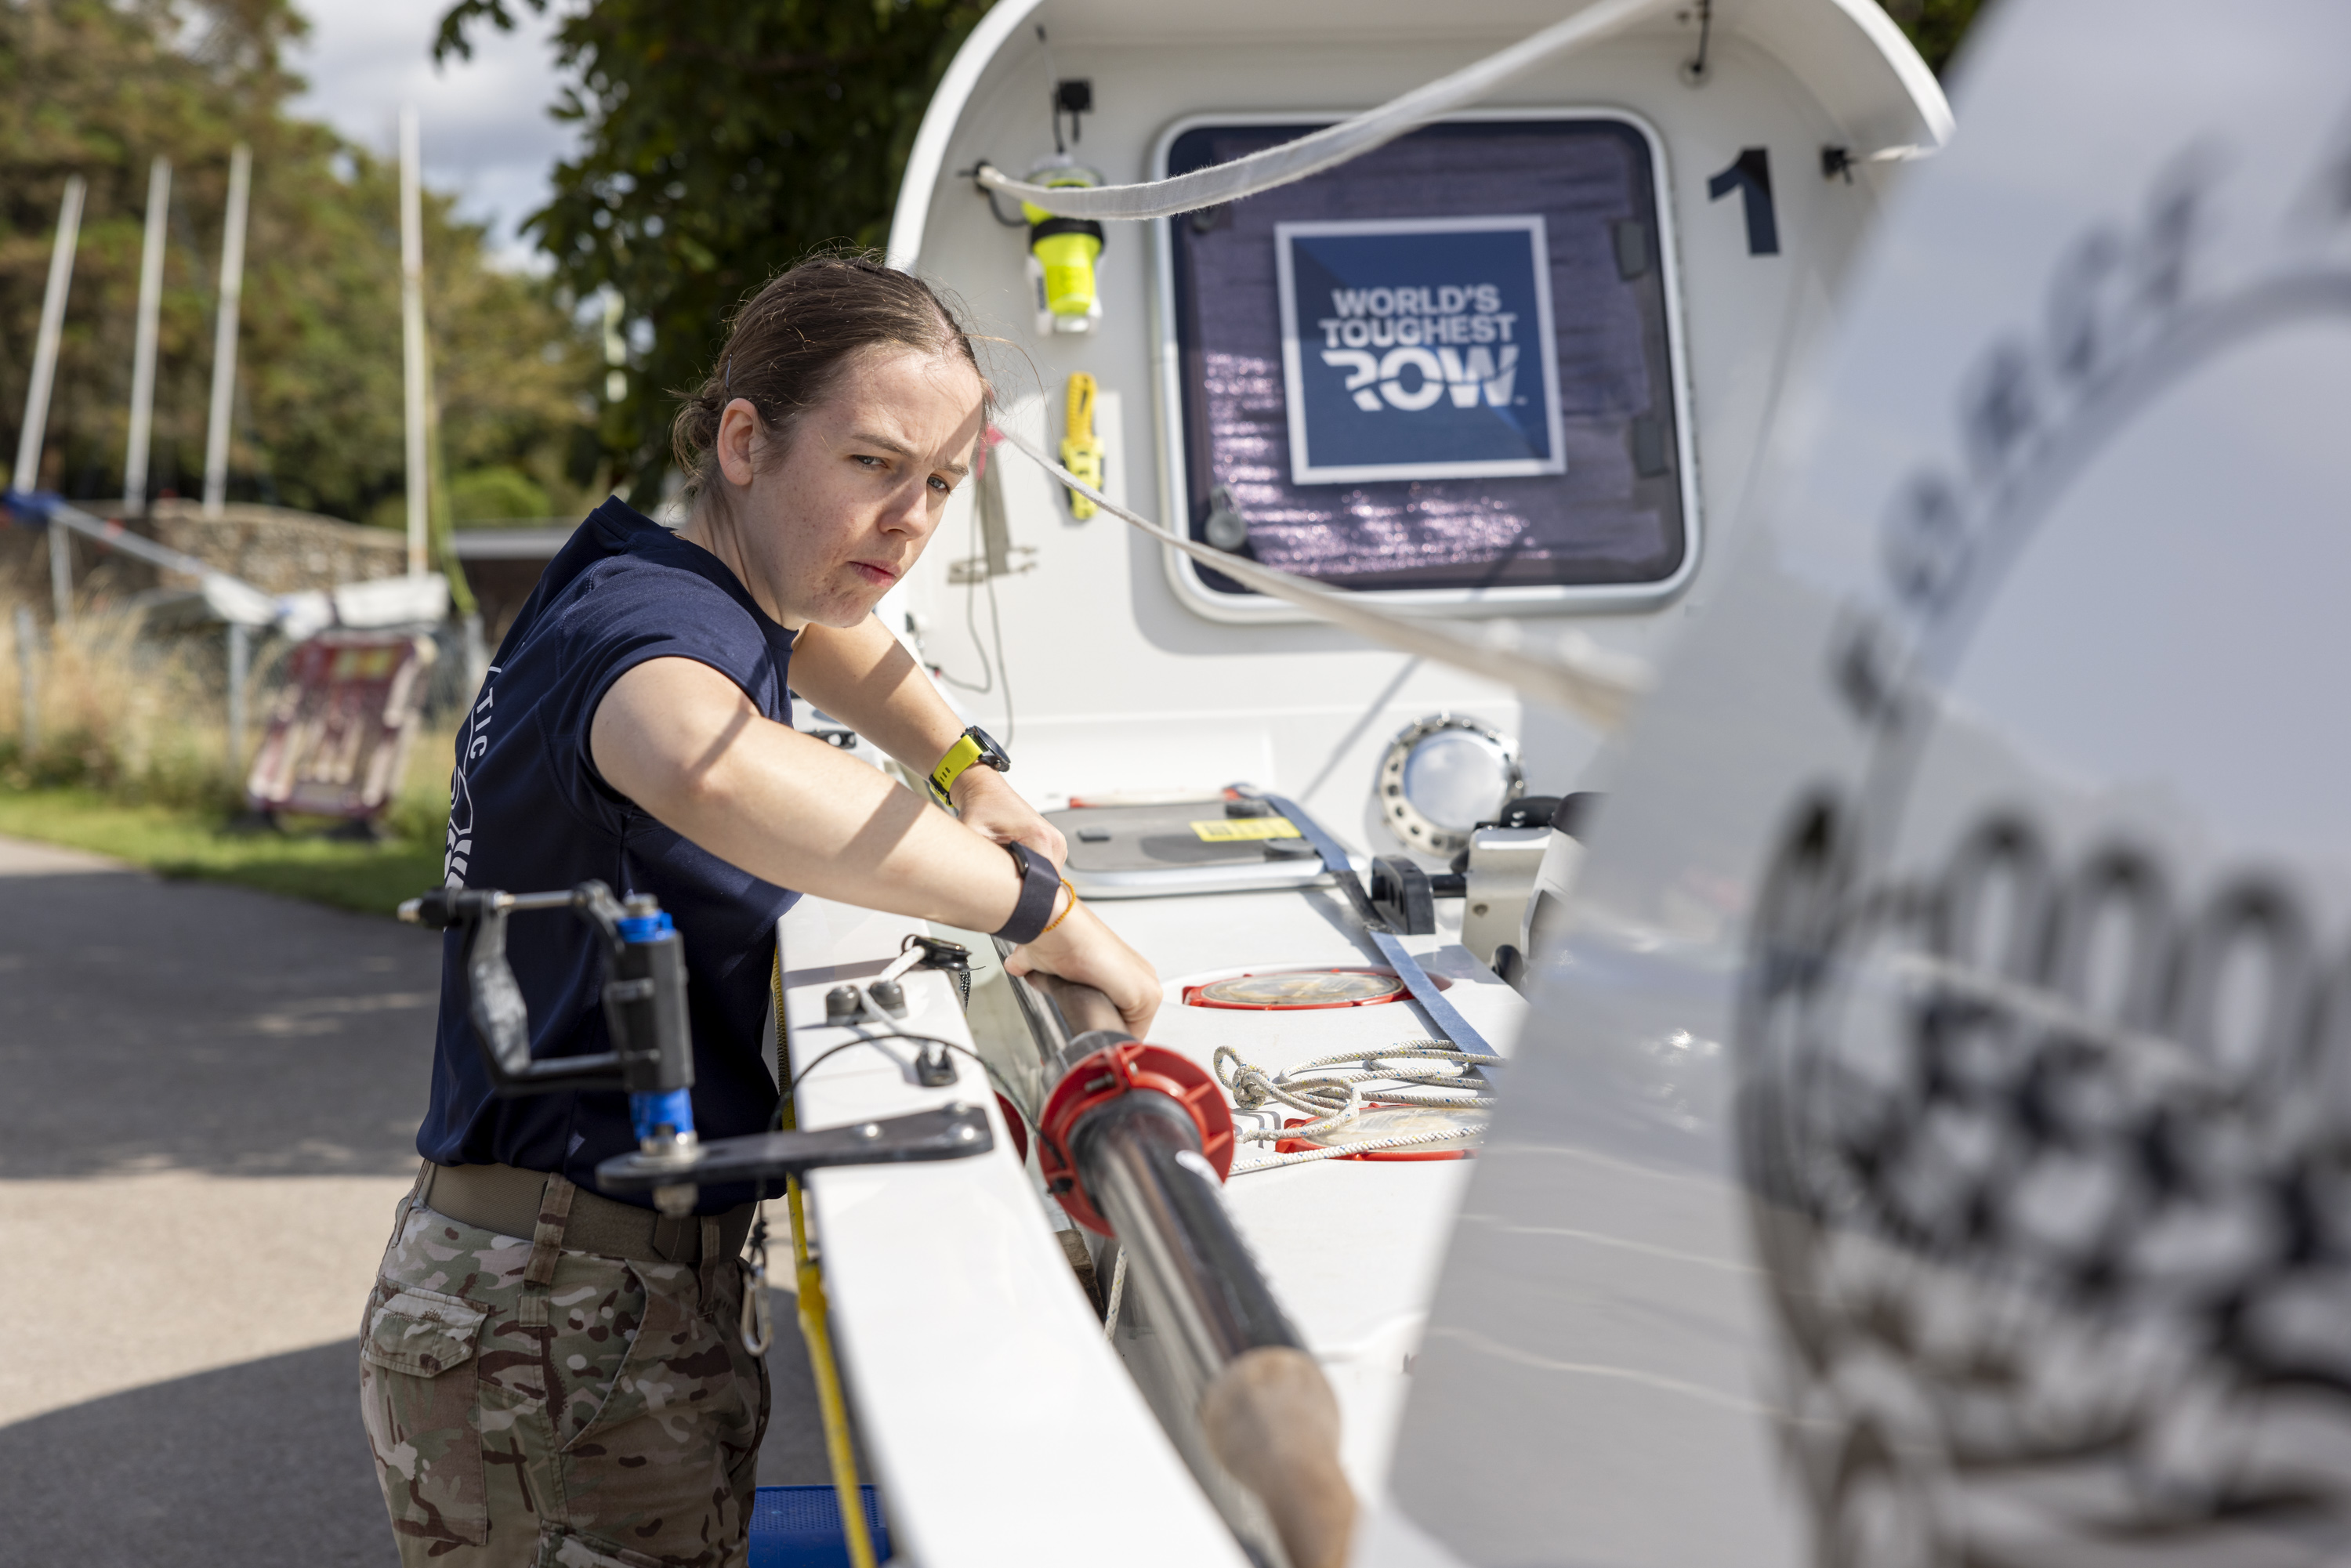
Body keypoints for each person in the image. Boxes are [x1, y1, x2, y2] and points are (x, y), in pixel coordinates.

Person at [357, 254, 1159, 1568]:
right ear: (744, 439)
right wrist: (1038, 909)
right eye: (873, 463)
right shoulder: (643, 629)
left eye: (942, 484)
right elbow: (707, 761)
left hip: (593, 1291)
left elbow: (825, 623)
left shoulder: (677, 575)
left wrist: (970, 771)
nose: (907, 521)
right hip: (548, 1325)